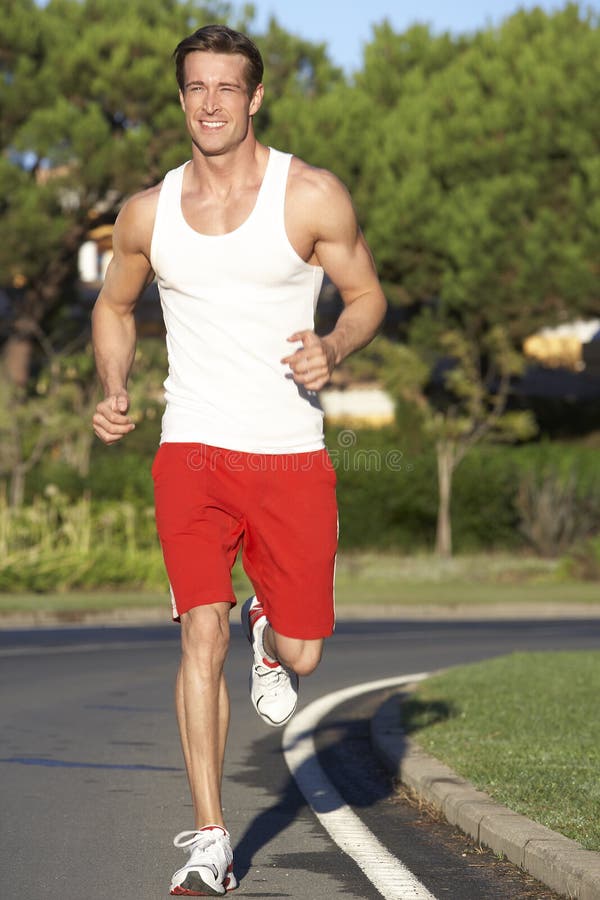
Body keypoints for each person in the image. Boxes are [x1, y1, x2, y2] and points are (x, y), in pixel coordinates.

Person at [91, 23, 387, 897]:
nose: (211, 103)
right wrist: (114, 383)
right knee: (197, 631)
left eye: (228, 88)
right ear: (181, 96)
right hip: (192, 450)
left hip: (290, 456)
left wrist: (333, 346)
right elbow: (113, 307)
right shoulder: (147, 212)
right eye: (196, 88)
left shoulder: (310, 196)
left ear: (255, 97)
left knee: (301, 655)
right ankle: (212, 840)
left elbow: (368, 296)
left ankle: (271, 626)